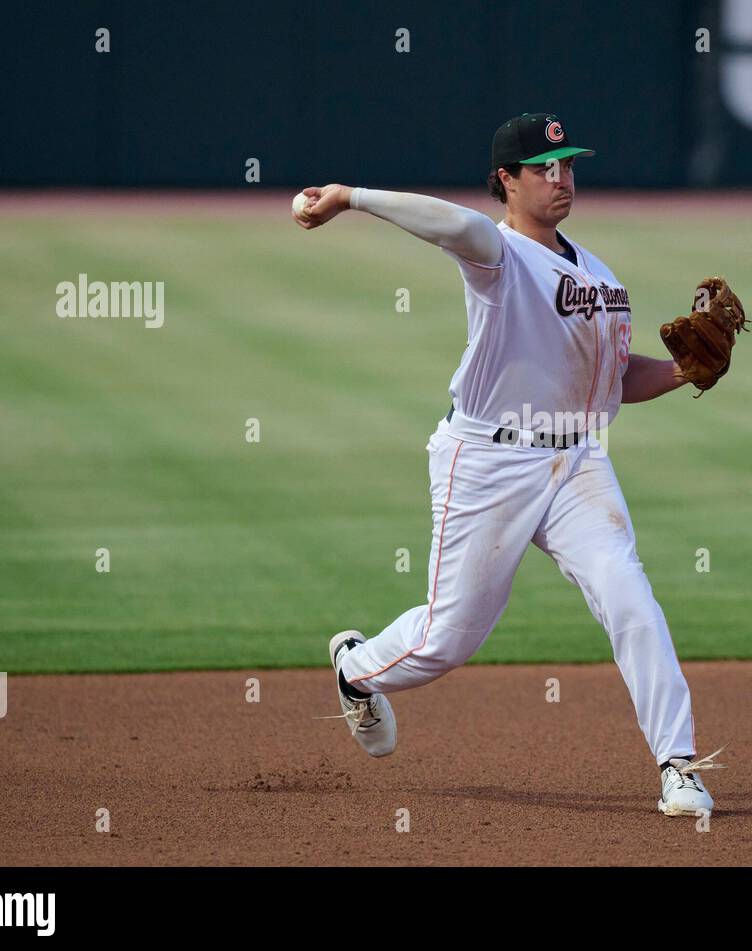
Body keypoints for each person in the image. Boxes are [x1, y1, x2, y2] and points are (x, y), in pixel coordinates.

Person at [293, 112, 723, 816]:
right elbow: (449, 225)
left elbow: (612, 383)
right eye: (543, 168)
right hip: (489, 465)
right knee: (445, 641)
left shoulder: (600, 274)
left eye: (568, 165)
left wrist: (682, 372)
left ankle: (678, 764)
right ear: (505, 181)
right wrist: (350, 196)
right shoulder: (497, 256)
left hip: (579, 460)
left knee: (628, 595)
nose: (561, 179)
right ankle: (356, 669)